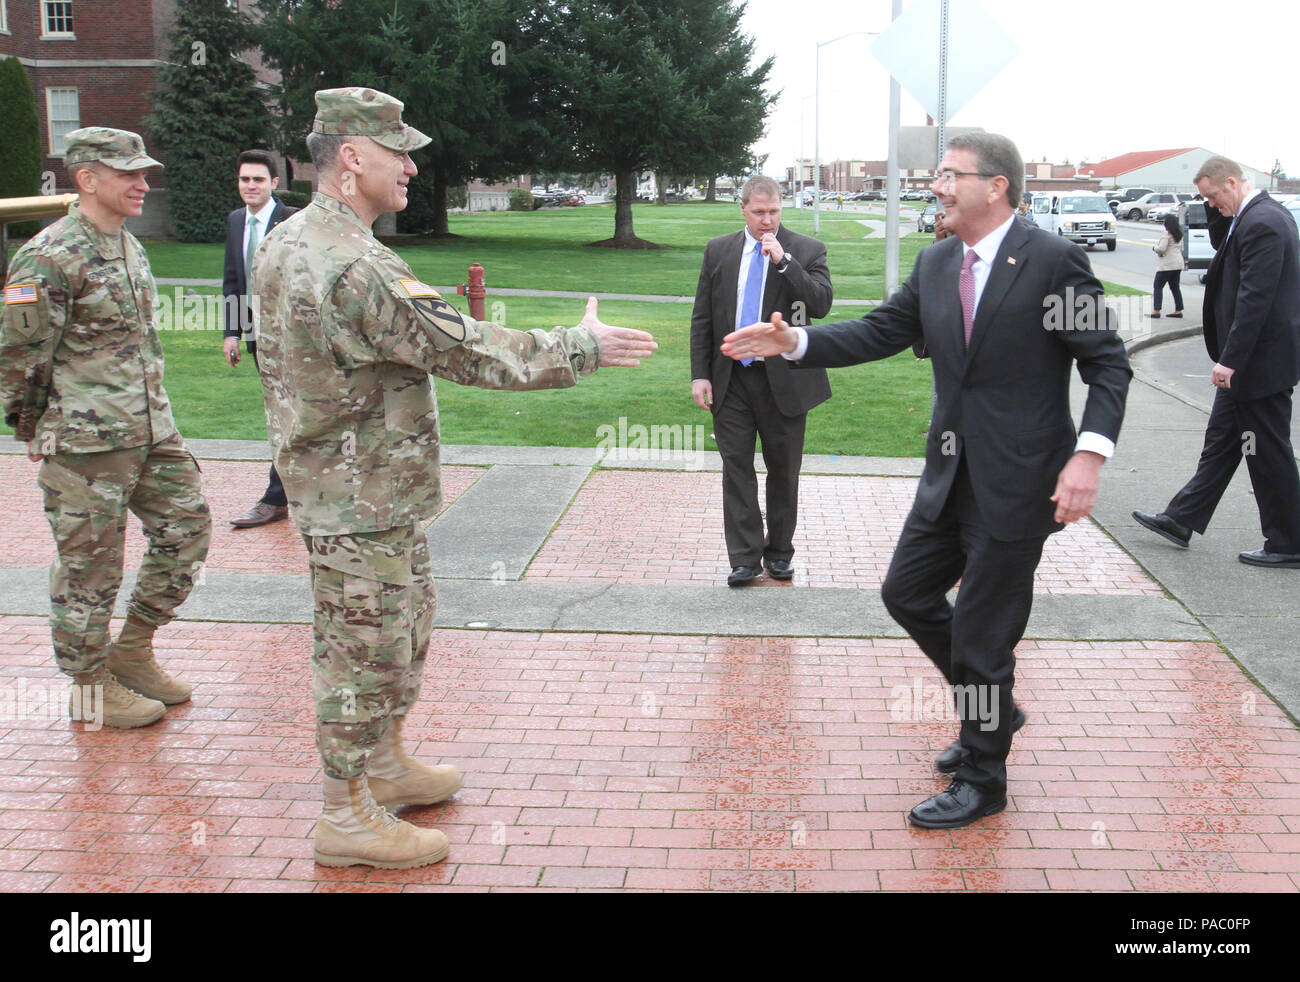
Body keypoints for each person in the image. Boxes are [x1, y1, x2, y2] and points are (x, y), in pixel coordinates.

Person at [252, 87, 656, 869]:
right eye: (398, 150)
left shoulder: (294, 239)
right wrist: (580, 345)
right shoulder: (351, 264)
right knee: (361, 652)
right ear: (351, 157)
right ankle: (345, 815)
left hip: (359, 490)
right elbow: (465, 348)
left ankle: (385, 766)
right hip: (357, 497)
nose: (411, 165)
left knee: (398, 632)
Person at [722, 133, 1131, 828]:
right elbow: (882, 330)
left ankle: (982, 776)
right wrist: (797, 342)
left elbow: (1108, 364)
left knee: (981, 632)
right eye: (938, 174)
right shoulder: (938, 261)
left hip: (1020, 480)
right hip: (949, 474)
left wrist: (1087, 457)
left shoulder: (1053, 261)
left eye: (949, 175)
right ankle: (992, 710)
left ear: (995, 186)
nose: (937, 186)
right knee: (906, 593)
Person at [1, 128, 211, 728]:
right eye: (129, 174)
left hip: (150, 430)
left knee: (187, 531)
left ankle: (133, 650)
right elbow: (21, 358)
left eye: (143, 172)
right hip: (85, 441)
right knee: (91, 565)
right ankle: (88, 684)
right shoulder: (47, 256)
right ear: (87, 179)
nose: (143, 183)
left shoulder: (128, 245)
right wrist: (36, 427)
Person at [1133, 156, 1300, 568]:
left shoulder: (1263, 223)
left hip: (1258, 365)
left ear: (1231, 182)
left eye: (1212, 196)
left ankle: (1289, 541)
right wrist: (1215, 207)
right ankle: (1181, 518)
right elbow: (1222, 239)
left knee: (1266, 451)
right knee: (1222, 443)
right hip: (1249, 365)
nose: (1211, 204)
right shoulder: (1250, 217)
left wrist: (1230, 360)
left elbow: (1256, 300)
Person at [690, 175, 833, 586]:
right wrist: (700, 373)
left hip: (785, 381)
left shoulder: (807, 249)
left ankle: (780, 553)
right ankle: (745, 559)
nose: (767, 221)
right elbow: (703, 318)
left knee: (784, 470)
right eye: (758, 213)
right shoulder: (719, 250)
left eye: (773, 212)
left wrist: (784, 262)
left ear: (781, 208)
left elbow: (820, 305)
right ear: (743, 209)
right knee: (736, 468)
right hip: (731, 378)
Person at [222, 149, 298, 528]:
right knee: (282, 413)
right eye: (243, 179)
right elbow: (234, 282)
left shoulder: (292, 221)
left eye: (257, 179)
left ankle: (276, 498)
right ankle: (288, 494)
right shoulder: (236, 221)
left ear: (274, 183)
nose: (249, 185)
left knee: (291, 412)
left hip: (294, 337)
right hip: (256, 336)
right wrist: (231, 334)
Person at [1151, 212, 1184, 318]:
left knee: (1157, 286)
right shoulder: (1179, 234)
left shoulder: (1167, 234)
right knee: (1175, 287)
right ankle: (1178, 310)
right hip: (1178, 264)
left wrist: (1154, 248)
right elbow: (1181, 248)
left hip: (1167, 265)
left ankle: (1156, 310)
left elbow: (1161, 248)